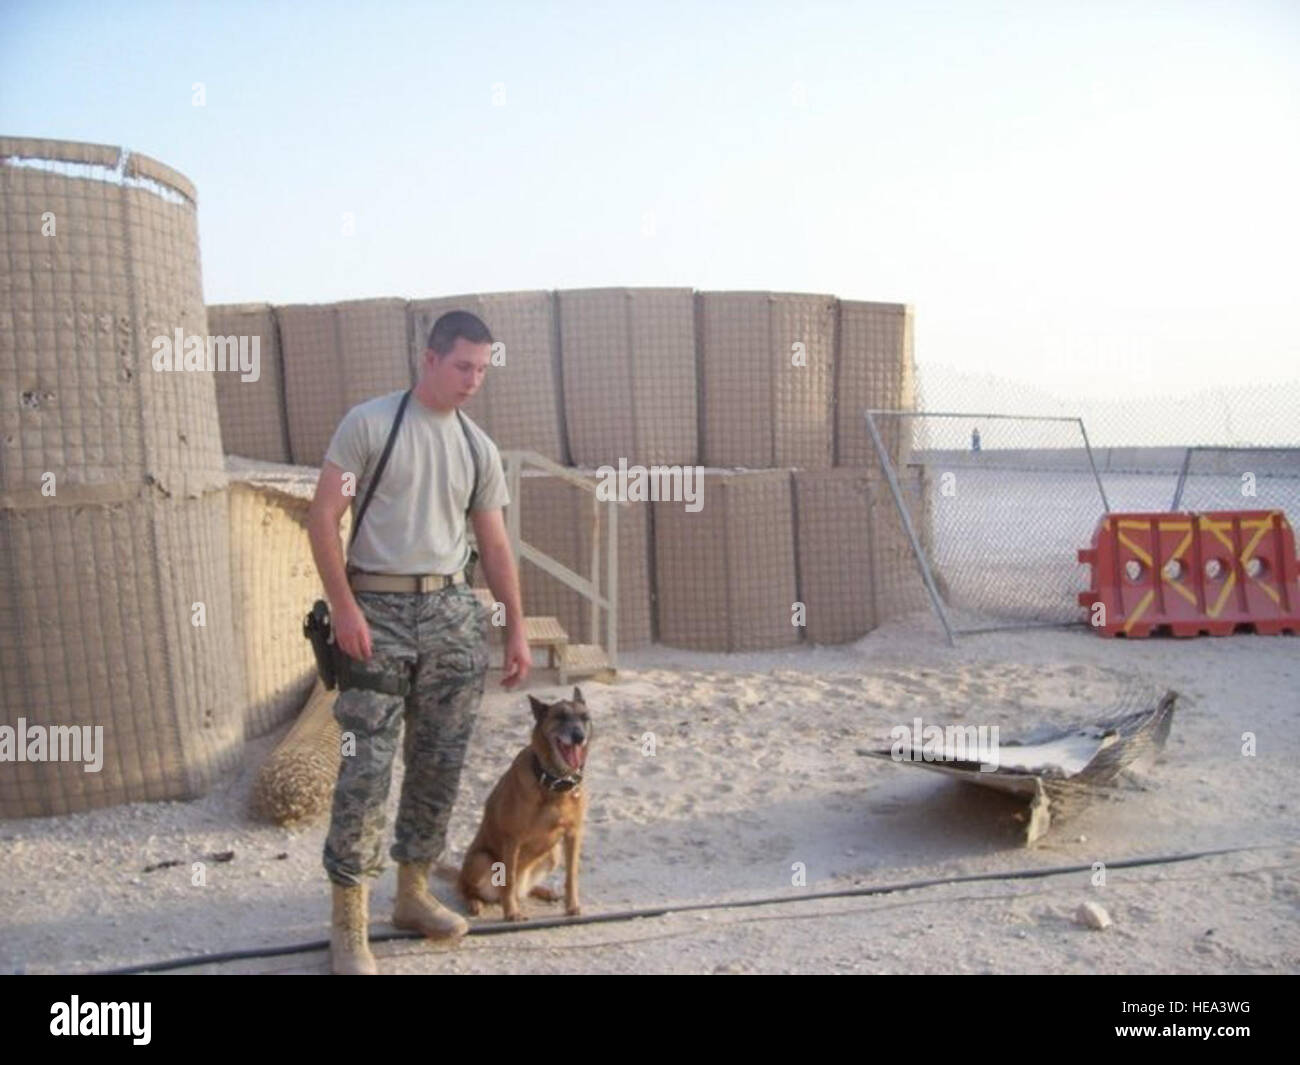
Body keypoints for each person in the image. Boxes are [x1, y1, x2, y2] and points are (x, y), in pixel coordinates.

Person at [306, 310, 532, 975]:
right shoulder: (369, 424)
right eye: (463, 366)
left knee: (438, 764)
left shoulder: (476, 446)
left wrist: (514, 624)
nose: (473, 381)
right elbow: (323, 518)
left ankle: (410, 893)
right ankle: (349, 921)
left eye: (483, 369)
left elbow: (493, 544)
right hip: (373, 610)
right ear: (429, 358)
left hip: (452, 614)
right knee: (367, 769)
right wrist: (345, 607)